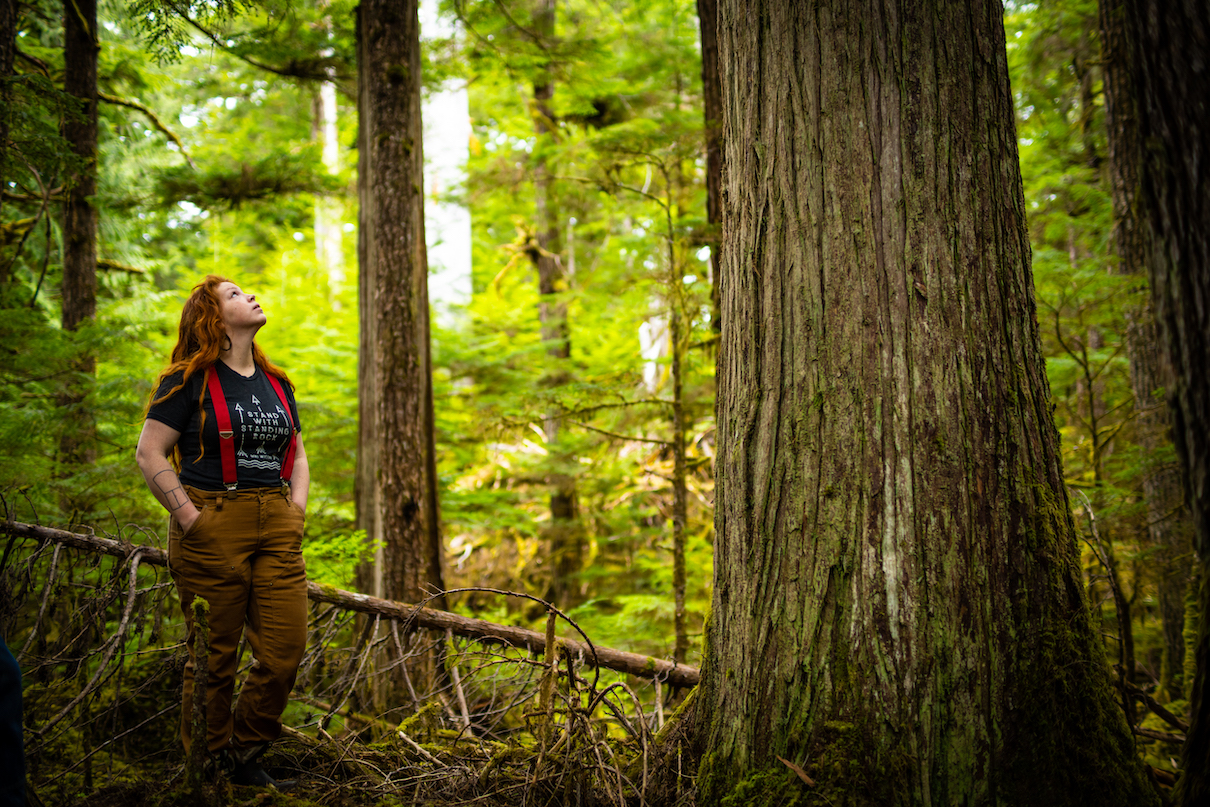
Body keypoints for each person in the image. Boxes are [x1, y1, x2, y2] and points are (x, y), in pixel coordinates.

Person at [136, 275, 309, 789]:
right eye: (234, 294)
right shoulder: (187, 378)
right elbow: (149, 454)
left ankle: (245, 752)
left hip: (277, 523)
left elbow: (297, 455)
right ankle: (209, 768)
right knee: (215, 655)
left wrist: (295, 511)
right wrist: (190, 519)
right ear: (211, 317)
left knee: (284, 651)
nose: (249, 296)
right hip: (213, 519)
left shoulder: (278, 382)